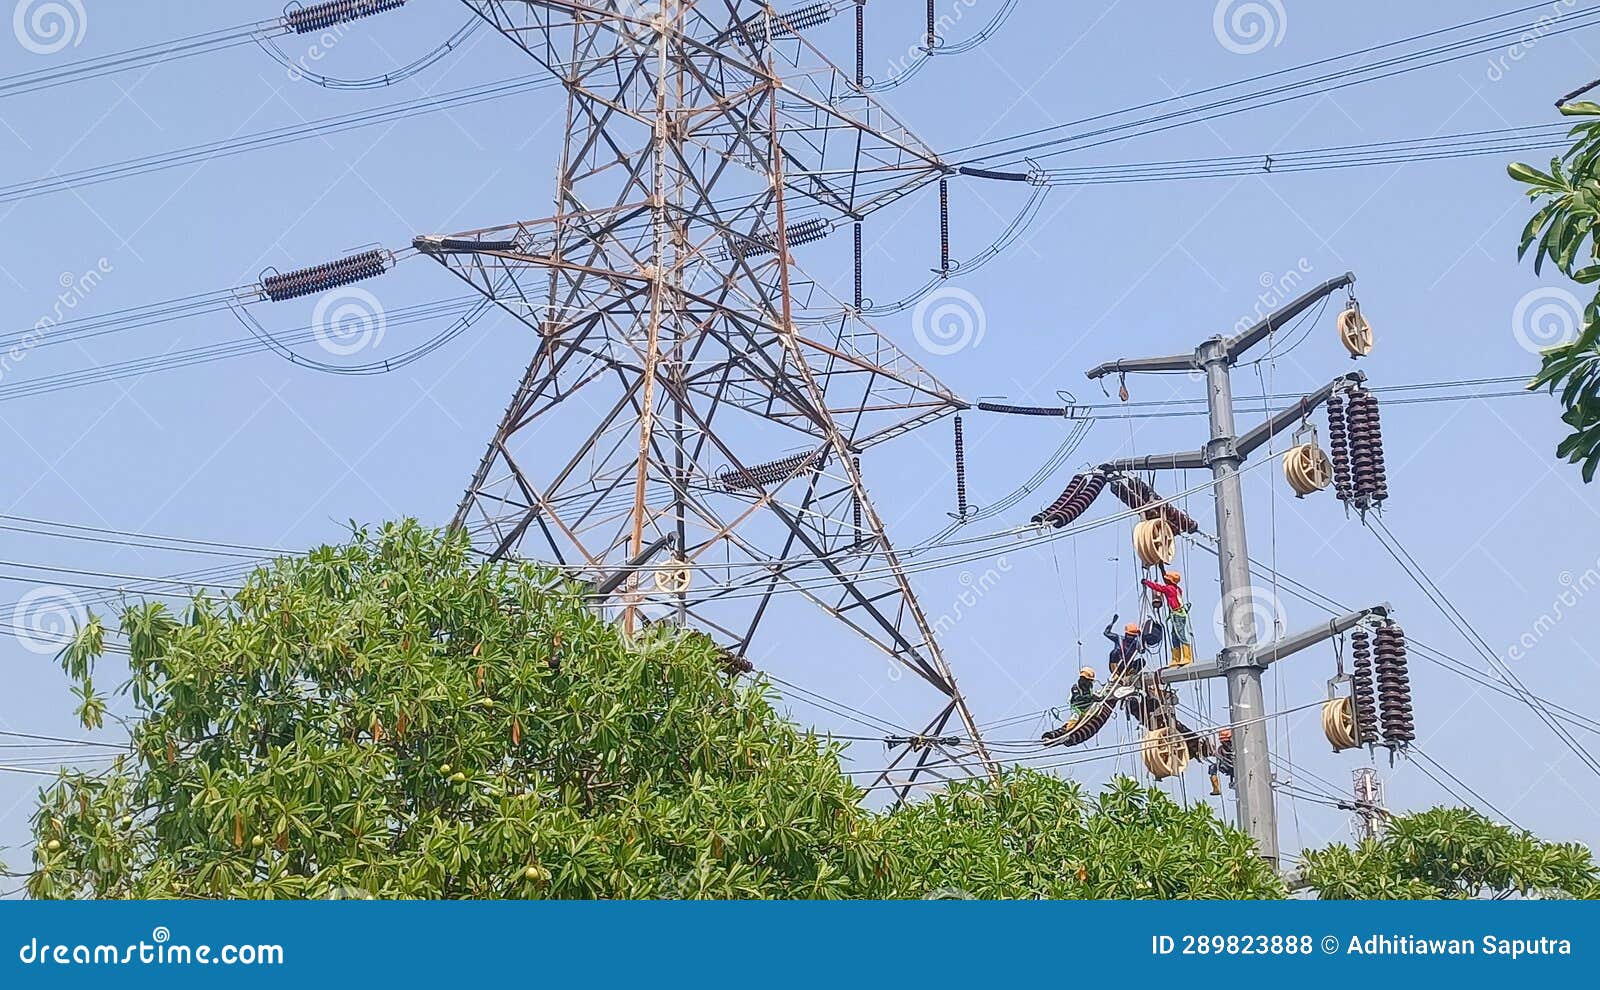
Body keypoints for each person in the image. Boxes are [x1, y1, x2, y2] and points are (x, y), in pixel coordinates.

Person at [1142, 570, 1194, 668]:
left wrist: (1146, 582)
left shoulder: (1169, 589)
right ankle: (1176, 658)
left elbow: (1159, 588)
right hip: (1176, 615)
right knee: (1174, 636)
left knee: (1181, 635)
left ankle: (1187, 657)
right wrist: (1161, 568)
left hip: (1178, 615)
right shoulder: (1177, 589)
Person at [1208, 727, 1235, 796]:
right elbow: (1220, 757)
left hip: (1237, 765)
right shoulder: (1221, 749)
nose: (1225, 743)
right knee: (1212, 767)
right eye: (1223, 741)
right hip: (1228, 767)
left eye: (1226, 741)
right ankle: (1216, 789)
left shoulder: (1236, 746)